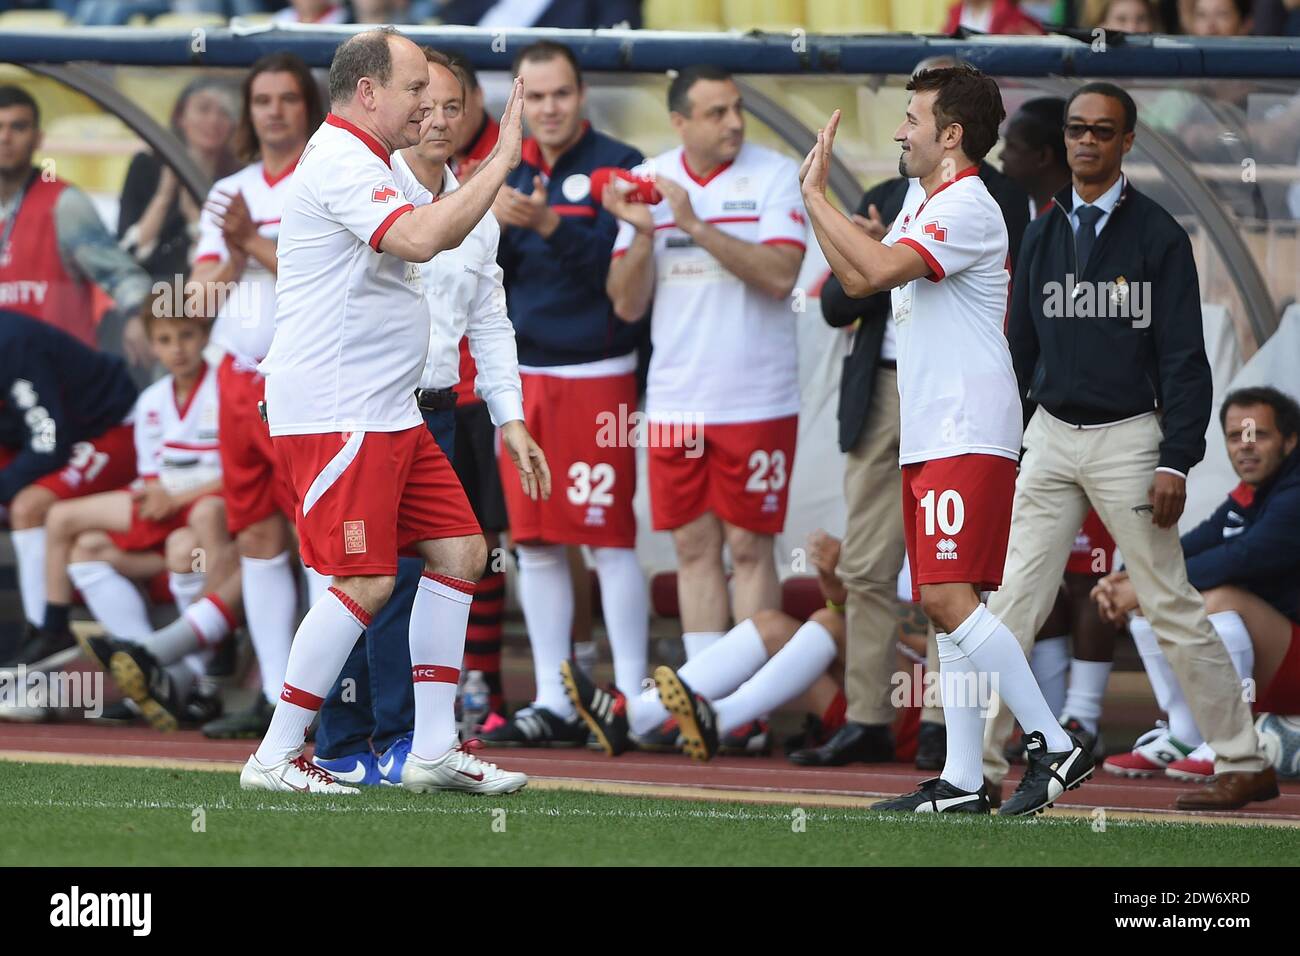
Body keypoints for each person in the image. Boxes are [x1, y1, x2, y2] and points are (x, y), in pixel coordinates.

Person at [239, 27, 536, 795]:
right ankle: (274, 754)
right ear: (367, 92)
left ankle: (431, 748)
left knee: (462, 552)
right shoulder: (342, 158)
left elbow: (449, 245)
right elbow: (421, 237)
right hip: (341, 412)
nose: (424, 107)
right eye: (412, 90)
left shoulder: (369, 161)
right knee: (365, 581)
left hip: (386, 409)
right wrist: (502, 159)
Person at [801, 65, 1093, 816]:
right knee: (948, 605)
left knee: (944, 595)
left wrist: (814, 201)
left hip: (967, 423)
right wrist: (827, 219)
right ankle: (965, 779)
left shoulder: (969, 203)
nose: (901, 130)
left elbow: (869, 276)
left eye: (912, 117)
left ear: (951, 134)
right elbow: (859, 274)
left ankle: (1054, 742)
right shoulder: (924, 198)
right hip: (934, 426)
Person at [988, 81, 1275, 812]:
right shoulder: (1043, 233)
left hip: (1128, 439)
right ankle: (980, 765)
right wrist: (1006, 441)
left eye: (1102, 131)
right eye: (1078, 130)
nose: (1087, 141)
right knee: (1012, 602)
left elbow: (1184, 358)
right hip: (1049, 435)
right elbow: (1018, 352)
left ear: (1127, 142)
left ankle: (1243, 760)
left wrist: (1176, 455)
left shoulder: (1158, 236)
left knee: (1171, 603)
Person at [591, 65, 806, 760]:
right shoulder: (649, 176)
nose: (734, 123)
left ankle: (750, 708)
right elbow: (625, 303)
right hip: (677, 401)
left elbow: (779, 276)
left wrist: (692, 223)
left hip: (756, 398)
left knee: (748, 548)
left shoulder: (775, 174)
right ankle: (703, 706)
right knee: (692, 550)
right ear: (680, 122)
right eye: (716, 113)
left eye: (738, 110)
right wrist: (648, 233)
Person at [478, 40, 651, 750]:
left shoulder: (624, 166)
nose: (548, 109)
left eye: (560, 95)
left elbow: (621, 286)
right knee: (537, 543)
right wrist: (510, 231)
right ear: (519, 101)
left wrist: (547, 225)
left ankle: (636, 697)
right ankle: (553, 696)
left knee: (607, 540)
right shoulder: (503, 167)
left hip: (598, 373)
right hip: (524, 381)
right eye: (535, 97)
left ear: (580, 97)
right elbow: (488, 279)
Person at [185, 52, 322, 741]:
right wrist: (236, 251)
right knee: (259, 537)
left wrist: (247, 243)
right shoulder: (231, 189)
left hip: (303, 379)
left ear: (307, 106)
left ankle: (322, 696)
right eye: (262, 99)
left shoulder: (326, 177)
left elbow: (322, 275)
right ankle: (273, 695)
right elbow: (199, 295)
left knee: (316, 535)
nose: (273, 110)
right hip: (239, 380)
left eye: (287, 99)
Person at [1095, 386, 1300, 779]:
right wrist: (1128, 578)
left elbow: (1248, 555)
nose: (1246, 445)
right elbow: (1184, 549)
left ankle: (1229, 739)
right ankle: (1186, 734)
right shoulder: (1249, 493)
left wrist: (1145, 586)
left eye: (1260, 434)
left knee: (1221, 598)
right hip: (1275, 657)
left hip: (1290, 660)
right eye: (1236, 436)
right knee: (1151, 600)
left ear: (1290, 441)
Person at [53, 301, 240, 730]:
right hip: (166, 507)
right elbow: (150, 473)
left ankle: (200, 675)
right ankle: (145, 672)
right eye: (165, 340)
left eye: (187, 336)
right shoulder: (152, 400)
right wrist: (157, 493)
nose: (178, 349)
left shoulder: (226, 389)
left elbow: (238, 474)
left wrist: (175, 498)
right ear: (152, 346)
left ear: (206, 336)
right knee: (84, 547)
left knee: (185, 547)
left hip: (208, 513)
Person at [0, 311, 139, 666]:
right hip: (46, 436)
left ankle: (45, 637)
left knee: (28, 506)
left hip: (110, 429)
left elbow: (49, 441)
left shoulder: (12, 342)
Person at [638, 529, 848, 762]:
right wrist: (837, 593)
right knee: (771, 625)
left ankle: (722, 717)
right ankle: (638, 714)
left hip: (886, 707)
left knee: (827, 621)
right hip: (864, 690)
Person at [0, 85, 152, 365]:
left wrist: (137, 316)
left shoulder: (64, 204)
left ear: (38, 138)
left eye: (17, 127)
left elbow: (122, 275)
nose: (5, 138)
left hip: (59, 380)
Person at [117, 78, 239, 291]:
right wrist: (163, 197)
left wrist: (194, 216)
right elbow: (127, 255)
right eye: (203, 109)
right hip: (150, 295)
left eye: (224, 113)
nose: (213, 120)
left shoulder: (237, 178)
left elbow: (228, 260)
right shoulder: (147, 166)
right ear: (181, 117)